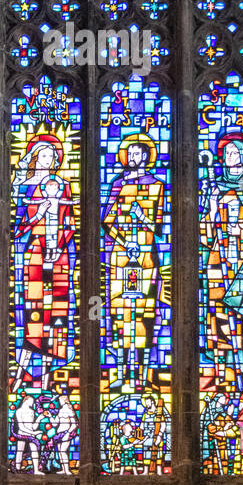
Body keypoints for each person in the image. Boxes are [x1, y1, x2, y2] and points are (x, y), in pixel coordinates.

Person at [11, 134, 76, 397]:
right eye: (44, 155)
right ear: (34, 157)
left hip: (58, 256)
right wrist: (38, 213)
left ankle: (48, 377)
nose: (49, 161)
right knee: (33, 316)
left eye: (52, 156)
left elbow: (70, 223)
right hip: (32, 256)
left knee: (57, 318)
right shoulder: (23, 187)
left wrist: (59, 244)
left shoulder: (63, 186)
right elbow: (16, 228)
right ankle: (19, 374)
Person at [200, 131, 243, 388]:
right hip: (219, 264)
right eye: (227, 154)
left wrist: (242, 230)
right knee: (220, 321)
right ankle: (224, 376)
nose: (231, 158)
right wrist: (213, 208)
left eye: (236, 153)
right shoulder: (216, 187)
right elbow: (206, 235)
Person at [102, 133, 168, 392]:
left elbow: (160, 226)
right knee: (120, 316)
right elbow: (106, 222)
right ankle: (119, 371)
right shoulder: (117, 185)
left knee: (144, 315)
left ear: (147, 157)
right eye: (129, 154)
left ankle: (140, 374)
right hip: (120, 257)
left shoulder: (157, 185)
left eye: (138, 153)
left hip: (145, 257)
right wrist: (122, 240)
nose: (133, 157)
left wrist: (143, 217)